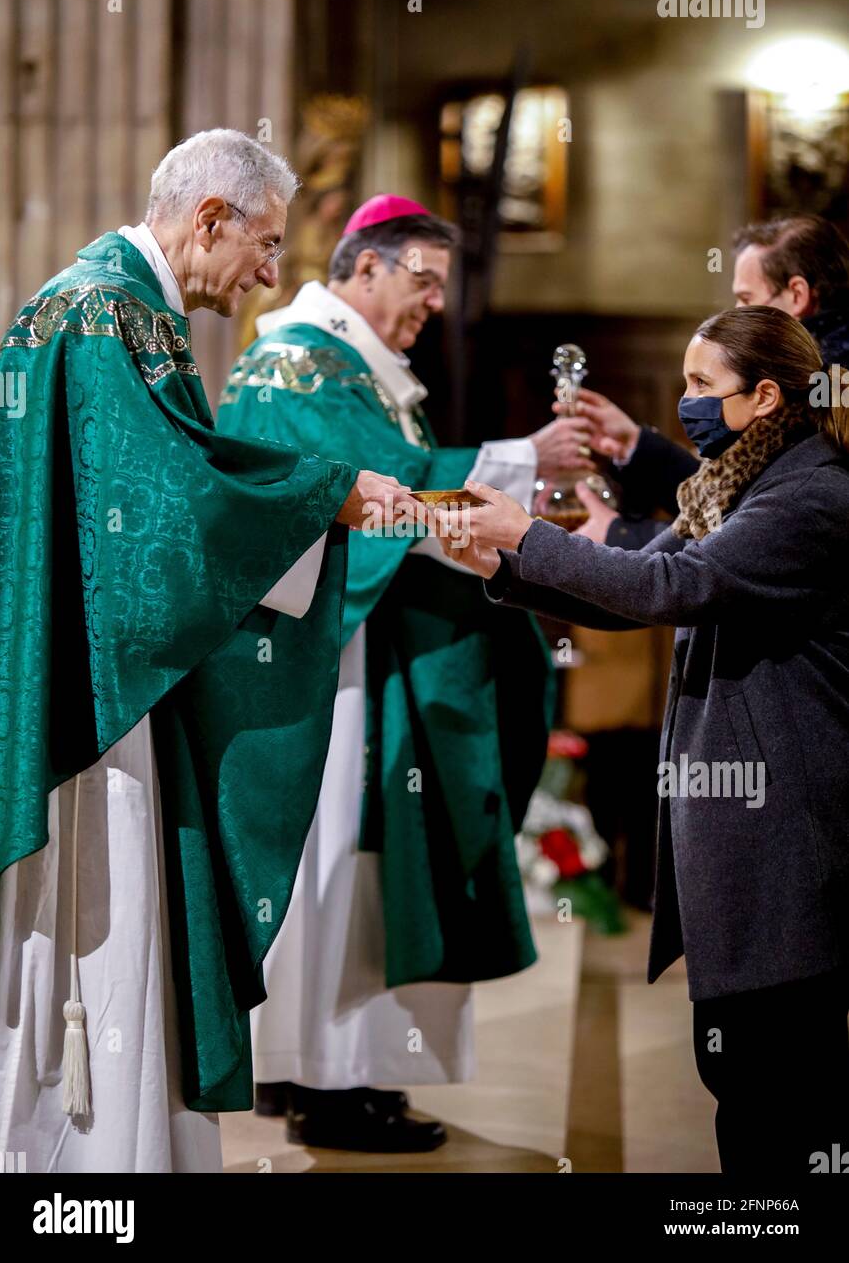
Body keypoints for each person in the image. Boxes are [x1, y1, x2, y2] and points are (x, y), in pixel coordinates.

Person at [0, 130, 417, 1173]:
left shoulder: (111, 303)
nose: (271, 271)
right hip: (90, 701)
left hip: (89, 666)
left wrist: (309, 497)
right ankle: (83, 1166)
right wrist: (328, 493)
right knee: (104, 915)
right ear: (208, 217)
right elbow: (161, 507)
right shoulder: (104, 309)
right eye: (263, 243)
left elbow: (173, 476)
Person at [439, 305, 849, 1174]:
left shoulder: (812, 494)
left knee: (779, 1093)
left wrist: (530, 536)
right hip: (747, 824)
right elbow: (634, 587)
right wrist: (506, 564)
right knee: (736, 1071)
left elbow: (674, 585)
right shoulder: (731, 481)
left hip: (791, 829)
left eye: (703, 386)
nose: (688, 402)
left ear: (766, 396)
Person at [218, 194, 564, 1152]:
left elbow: (389, 472)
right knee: (347, 862)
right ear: (364, 268)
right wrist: (522, 460)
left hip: (354, 650)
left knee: (353, 864)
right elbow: (371, 490)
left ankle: (312, 1071)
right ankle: (333, 1080)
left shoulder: (349, 363)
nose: (433, 305)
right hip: (334, 662)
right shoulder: (303, 360)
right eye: (422, 281)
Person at [557, 214, 849, 548]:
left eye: (746, 299)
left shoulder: (819, 391)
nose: (735, 312)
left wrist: (623, 534)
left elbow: (751, 534)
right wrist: (635, 444)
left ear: (797, 295)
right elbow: (727, 489)